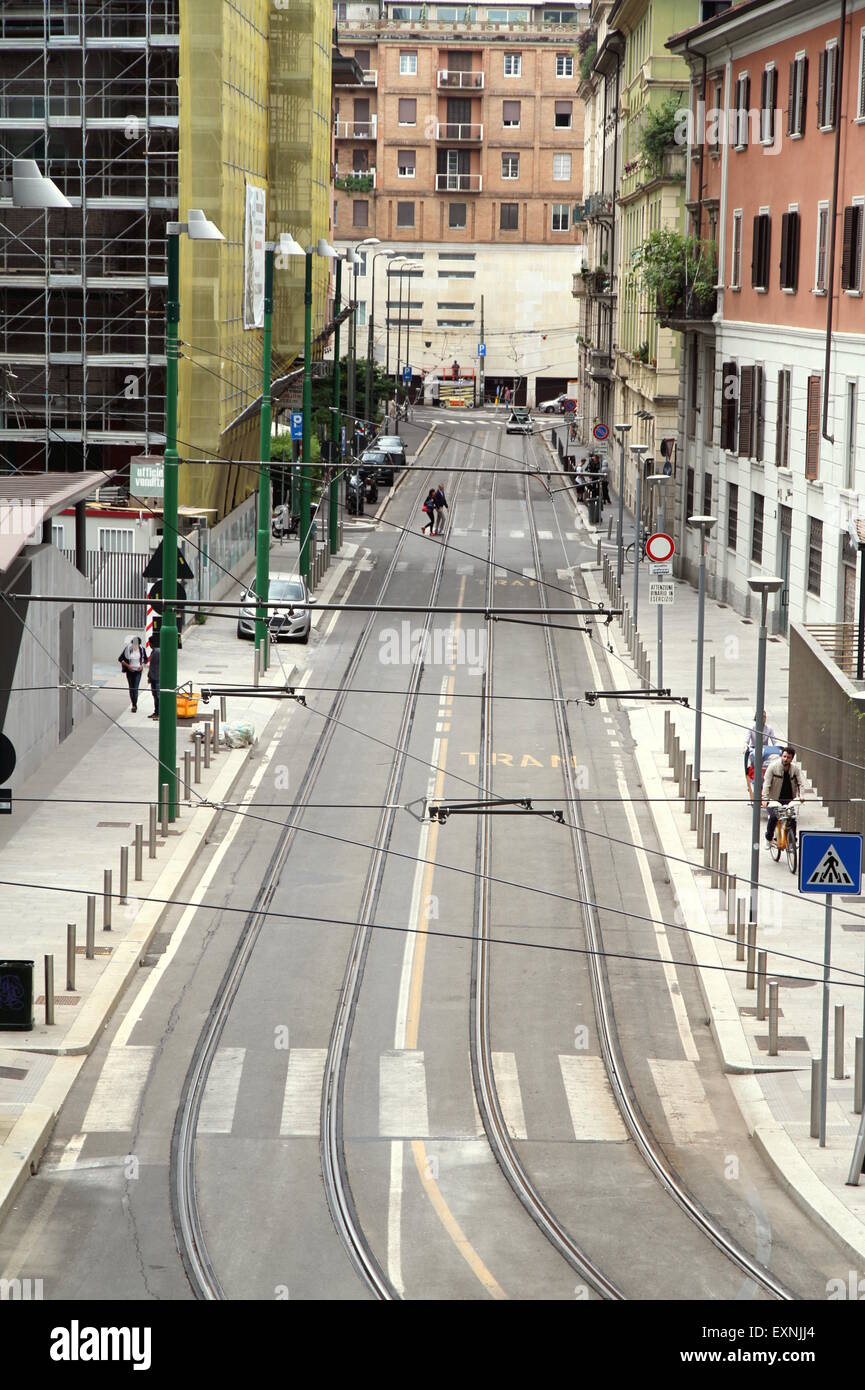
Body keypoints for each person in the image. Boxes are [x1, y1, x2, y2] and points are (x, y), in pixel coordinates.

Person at [762, 746, 803, 850]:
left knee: (792, 819)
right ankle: (769, 838)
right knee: (774, 817)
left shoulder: (795, 769)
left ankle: (792, 841)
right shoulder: (772, 767)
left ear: (792, 758)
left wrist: (801, 796)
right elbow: (766, 784)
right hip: (774, 799)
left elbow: (800, 783)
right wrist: (765, 799)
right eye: (784, 756)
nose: (785, 759)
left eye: (788, 757)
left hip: (789, 799)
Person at [119, 634, 147, 713]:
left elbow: (145, 659)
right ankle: (133, 704)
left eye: (136, 644)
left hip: (138, 671)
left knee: (135, 688)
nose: (135, 646)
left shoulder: (142, 650)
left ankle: (134, 705)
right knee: (131, 688)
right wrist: (128, 666)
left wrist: (142, 665)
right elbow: (120, 659)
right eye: (133, 644)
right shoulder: (128, 649)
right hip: (130, 671)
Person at [744, 709, 777, 775]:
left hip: (765, 751)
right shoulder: (751, 728)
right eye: (762, 717)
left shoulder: (769, 728)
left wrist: (778, 748)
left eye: (765, 717)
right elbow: (746, 741)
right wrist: (746, 747)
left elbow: (774, 741)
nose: (764, 719)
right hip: (754, 750)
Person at [147, 634, 161, 720]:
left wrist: (150, 676)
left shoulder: (156, 652)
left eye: (149, 643)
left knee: (157, 696)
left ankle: (158, 713)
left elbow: (153, 666)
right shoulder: (155, 651)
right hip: (154, 677)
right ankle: (156, 712)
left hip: (156, 677)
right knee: (155, 696)